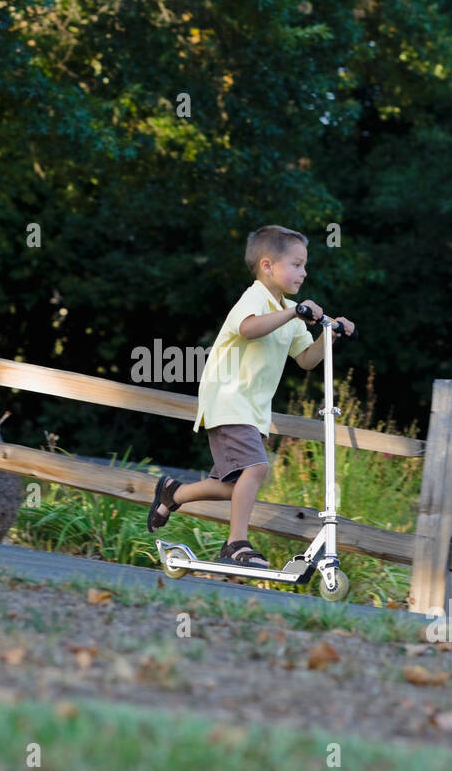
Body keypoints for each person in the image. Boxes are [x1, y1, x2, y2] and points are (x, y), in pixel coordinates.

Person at [147, 225, 355, 567]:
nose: (304, 272)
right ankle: (235, 545)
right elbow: (248, 328)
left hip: (252, 409)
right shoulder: (256, 297)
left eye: (305, 265)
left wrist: (331, 334)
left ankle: (174, 493)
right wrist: (294, 311)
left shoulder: (289, 312)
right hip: (228, 399)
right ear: (268, 265)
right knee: (256, 469)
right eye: (297, 264)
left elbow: (307, 360)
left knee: (234, 484)